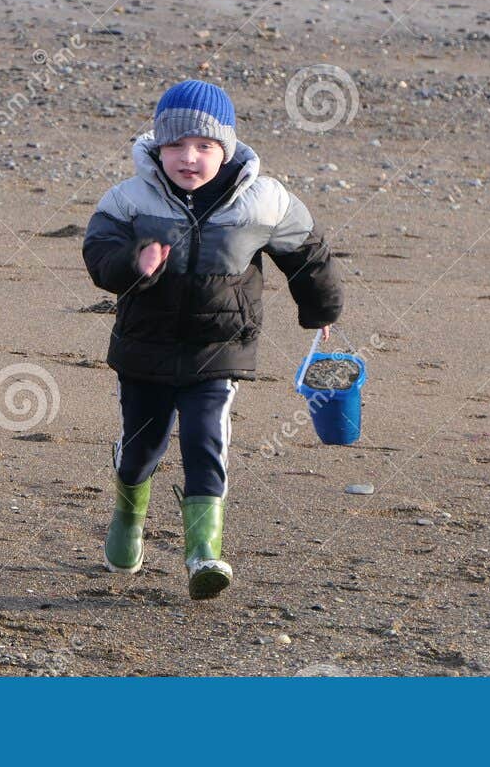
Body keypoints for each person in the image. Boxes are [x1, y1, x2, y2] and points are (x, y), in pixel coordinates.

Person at [81, 79, 344, 599]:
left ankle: (204, 552)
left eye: (204, 146)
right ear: (158, 147)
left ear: (226, 149)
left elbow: (307, 252)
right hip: (145, 349)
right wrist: (136, 263)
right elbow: (98, 252)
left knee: (207, 440)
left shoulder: (262, 199)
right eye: (176, 145)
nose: (189, 157)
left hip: (218, 349)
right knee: (142, 448)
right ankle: (127, 520)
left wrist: (320, 310)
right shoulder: (131, 198)